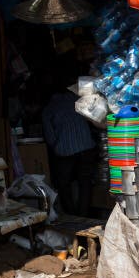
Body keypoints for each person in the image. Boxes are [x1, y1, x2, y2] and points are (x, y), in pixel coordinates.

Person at [42, 86, 97, 216]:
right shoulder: (77, 100)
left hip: (66, 150)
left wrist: (56, 148)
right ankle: (84, 213)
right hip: (87, 146)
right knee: (85, 181)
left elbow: (50, 136)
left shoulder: (49, 109)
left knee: (64, 183)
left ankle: (71, 214)